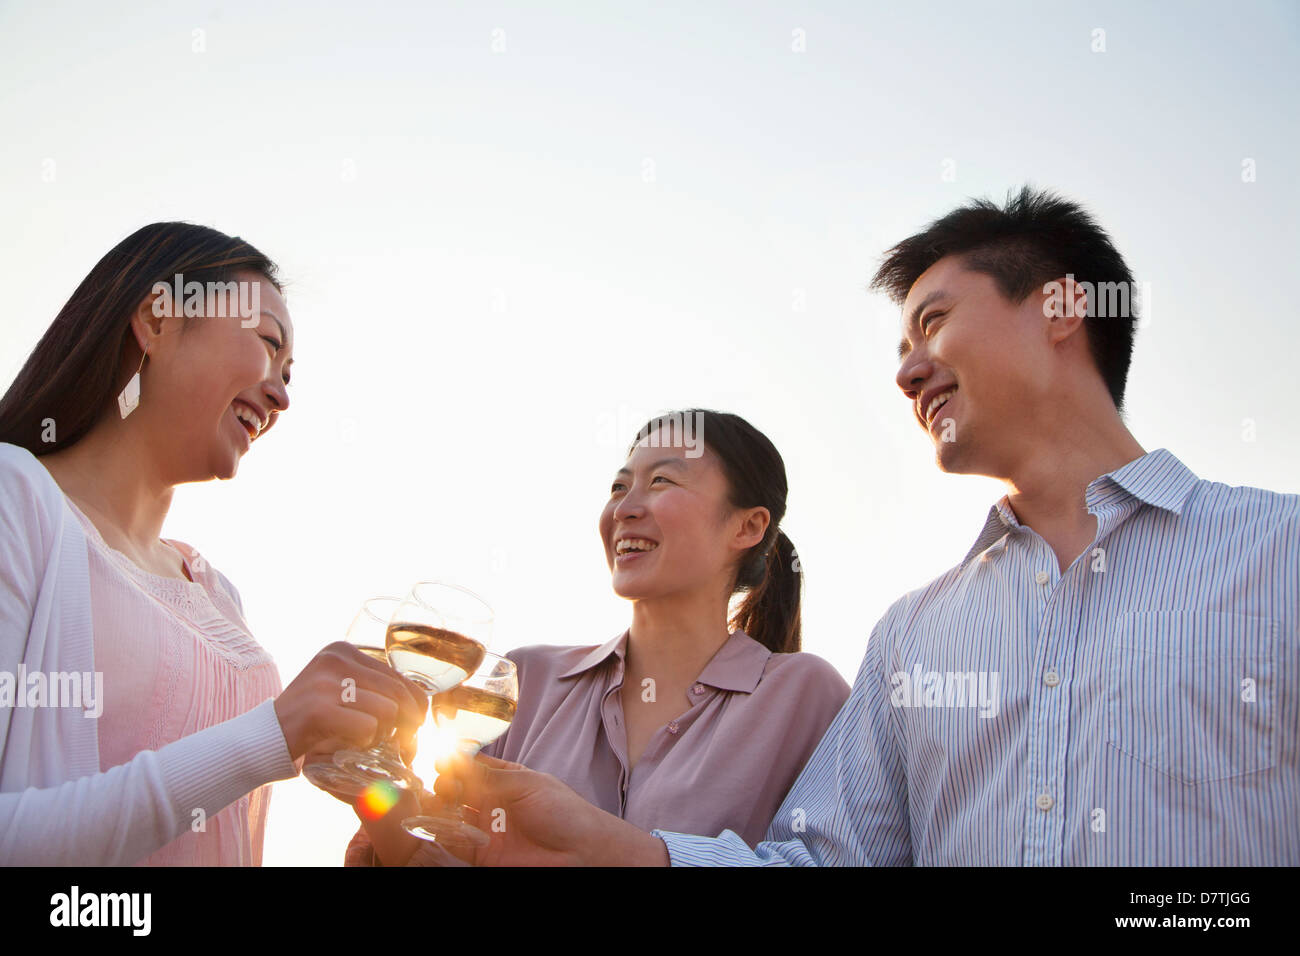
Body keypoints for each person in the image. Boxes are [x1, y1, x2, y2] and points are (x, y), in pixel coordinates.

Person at [427, 186, 1298, 865]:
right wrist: (619, 852)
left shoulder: (1277, 553)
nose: (908, 373)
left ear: (1063, 307)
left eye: (933, 321)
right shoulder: (913, 637)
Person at [0, 223, 426, 865]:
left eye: (290, 374)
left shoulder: (217, 593)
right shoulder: (16, 498)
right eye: (266, 344)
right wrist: (273, 734)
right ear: (158, 320)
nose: (282, 395)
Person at [343, 409, 850, 865]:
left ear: (748, 527)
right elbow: (441, 851)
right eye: (618, 487)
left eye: (663, 481)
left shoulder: (806, 696)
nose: (625, 509)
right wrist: (374, 786)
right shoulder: (523, 679)